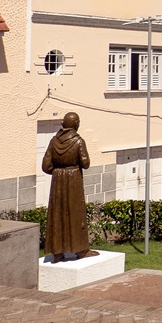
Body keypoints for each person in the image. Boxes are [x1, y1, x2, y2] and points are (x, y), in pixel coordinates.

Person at [43, 112, 97, 263]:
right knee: (76, 213)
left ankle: (57, 253)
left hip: (57, 180)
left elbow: (46, 166)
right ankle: (81, 250)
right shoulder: (78, 141)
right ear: (76, 124)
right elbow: (85, 163)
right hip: (73, 179)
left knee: (57, 214)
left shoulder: (53, 141)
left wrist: (58, 172)